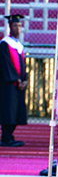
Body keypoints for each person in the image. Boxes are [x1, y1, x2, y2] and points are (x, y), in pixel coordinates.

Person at [0, 14, 28, 147]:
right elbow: (5, 64)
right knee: (8, 110)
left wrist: (24, 79)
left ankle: (9, 136)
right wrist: (16, 79)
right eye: (15, 25)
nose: (18, 28)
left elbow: (23, 64)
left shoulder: (18, 45)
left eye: (19, 26)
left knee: (16, 111)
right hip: (8, 85)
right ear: (10, 27)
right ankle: (6, 137)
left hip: (18, 85)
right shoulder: (5, 44)